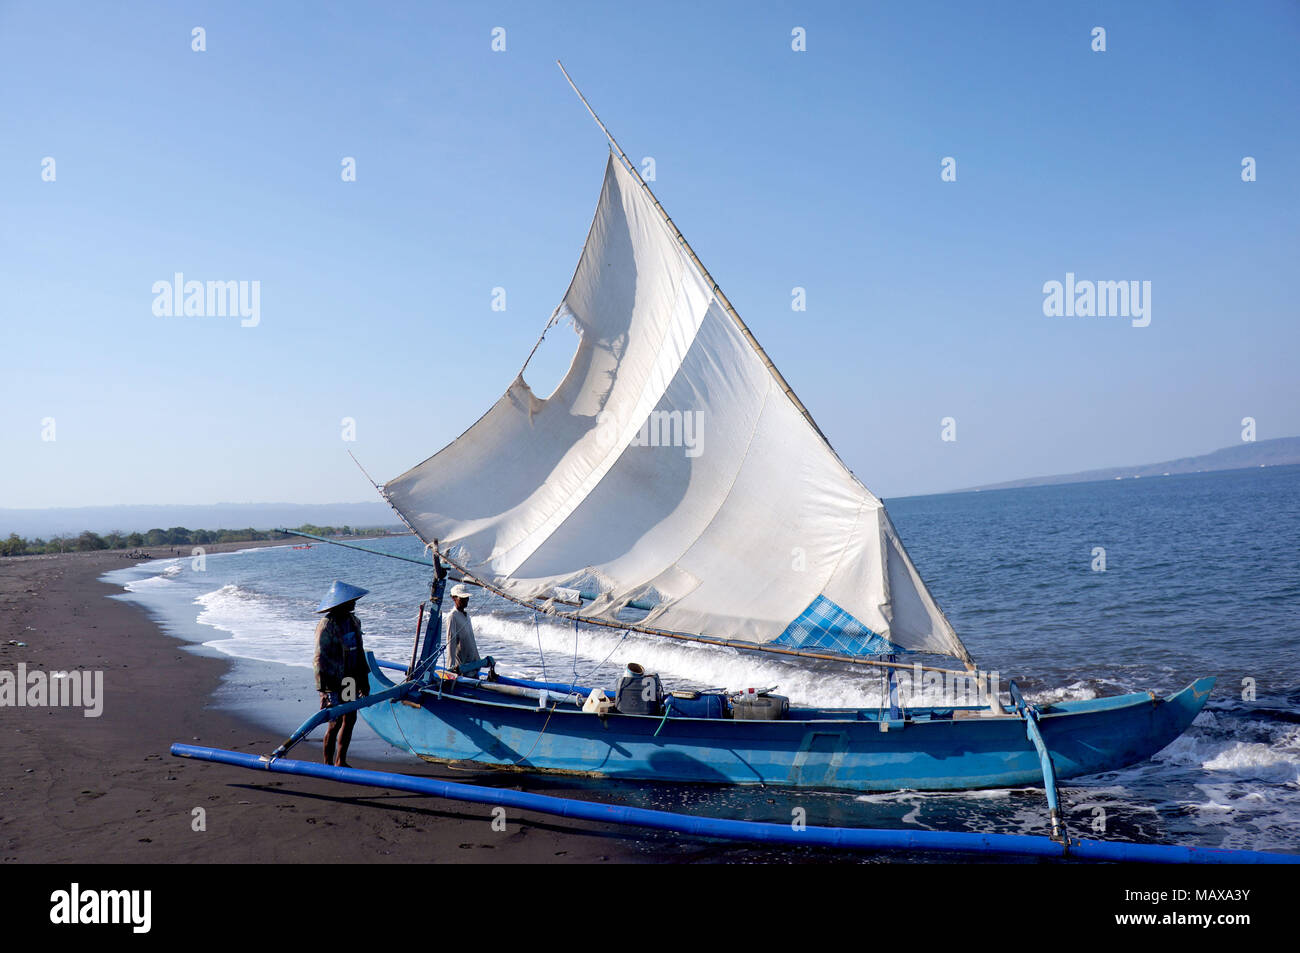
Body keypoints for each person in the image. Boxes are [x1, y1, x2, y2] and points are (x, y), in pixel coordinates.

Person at [312, 580, 371, 767]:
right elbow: (319, 658)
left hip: (349, 678)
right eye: (350, 601)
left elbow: (359, 651)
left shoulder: (353, 621)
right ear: (340, 603)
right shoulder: (326, 625)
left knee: (350, 718)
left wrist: (364, 678)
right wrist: (323, 690)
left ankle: (341, 760)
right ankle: (327, 763)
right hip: (333, 680)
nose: (353, 603)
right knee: (334, 722)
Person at [446, 582, 494, 678]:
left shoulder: (467, 615)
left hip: (473, 666)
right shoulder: (452, 617)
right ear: (454, 598)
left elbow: (471, 640)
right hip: (463, 670)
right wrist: (450, 669)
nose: (465, 600)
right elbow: (451, 643)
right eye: (462, 598)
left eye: (466, 598)